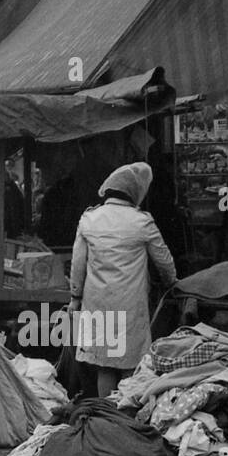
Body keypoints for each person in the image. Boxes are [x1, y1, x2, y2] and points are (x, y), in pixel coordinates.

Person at [68, 162, 178, 399]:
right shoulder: (142, 222)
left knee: (105, 364)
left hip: (98, 304)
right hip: (130, 305)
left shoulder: (89, 219)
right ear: (135, 193)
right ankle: (125, 419)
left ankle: (105, 414)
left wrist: (75, 298)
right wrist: (171, 283)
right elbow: (164, 261)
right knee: (130, 364)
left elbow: (78, 266)